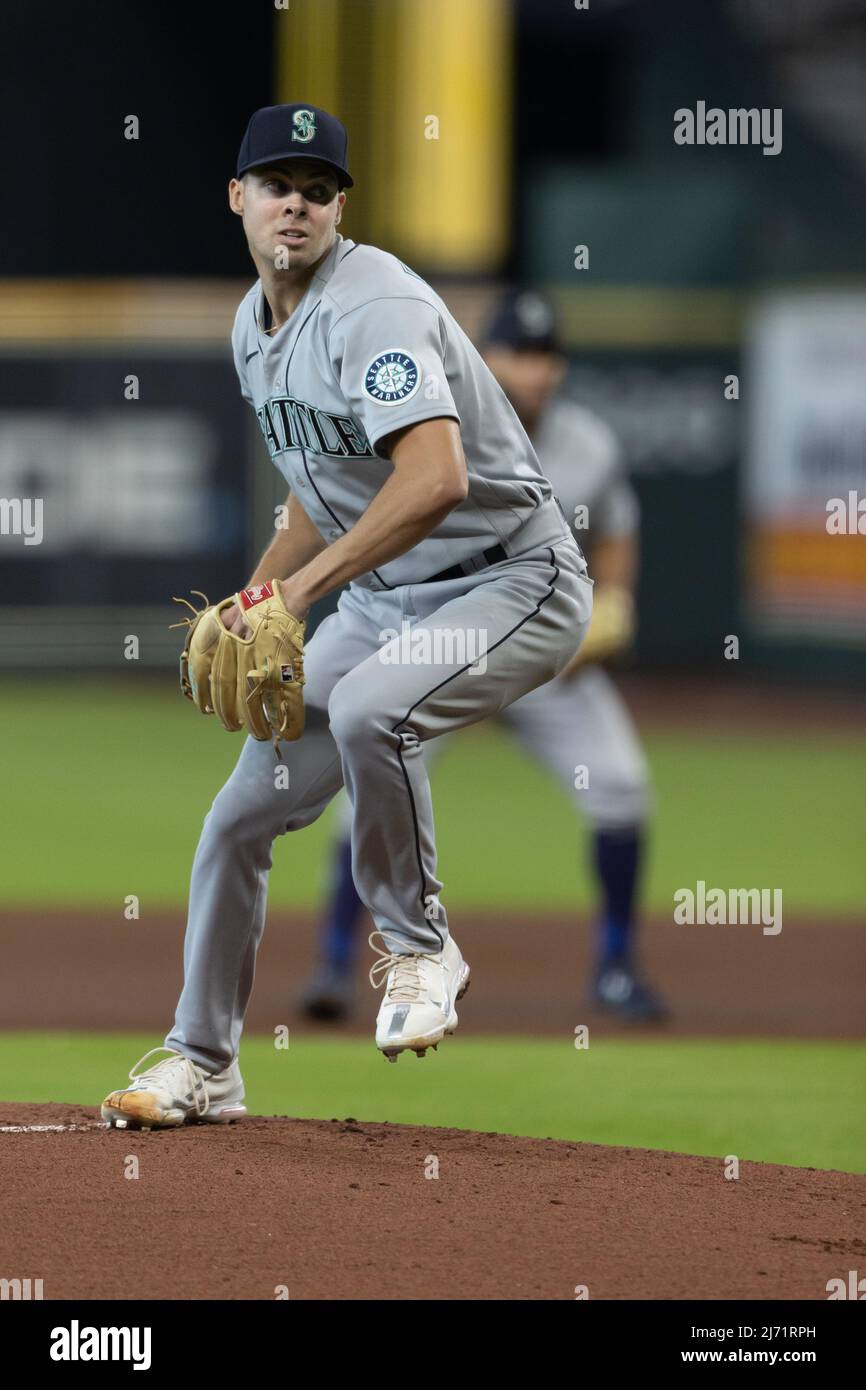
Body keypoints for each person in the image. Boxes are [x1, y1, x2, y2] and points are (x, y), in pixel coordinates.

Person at [100, 104, 592, 1129]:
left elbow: (436, 478)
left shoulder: (371, 308)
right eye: (277, 184)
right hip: (386, 594)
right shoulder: (252, 326)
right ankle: (203, 1062)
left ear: (337, 210)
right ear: (237, 197)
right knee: (238, 817)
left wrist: (303, 592)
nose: (297, 203)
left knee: (374, 708)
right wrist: (256, 593)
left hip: (511, 577)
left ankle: (419, 949)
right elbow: (317, 496)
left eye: (318, 189)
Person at [301, 289, 667, 1027]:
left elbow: (619, 527)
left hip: (540, 651)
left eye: (547, 356)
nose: (535, 371)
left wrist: (616, 600)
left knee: (623, 789)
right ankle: (337, 961)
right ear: (483, 358)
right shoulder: (434, 425)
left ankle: (618, 965)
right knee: (371, 781)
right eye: (518, 354)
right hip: (438, 643)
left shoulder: (588, 441)